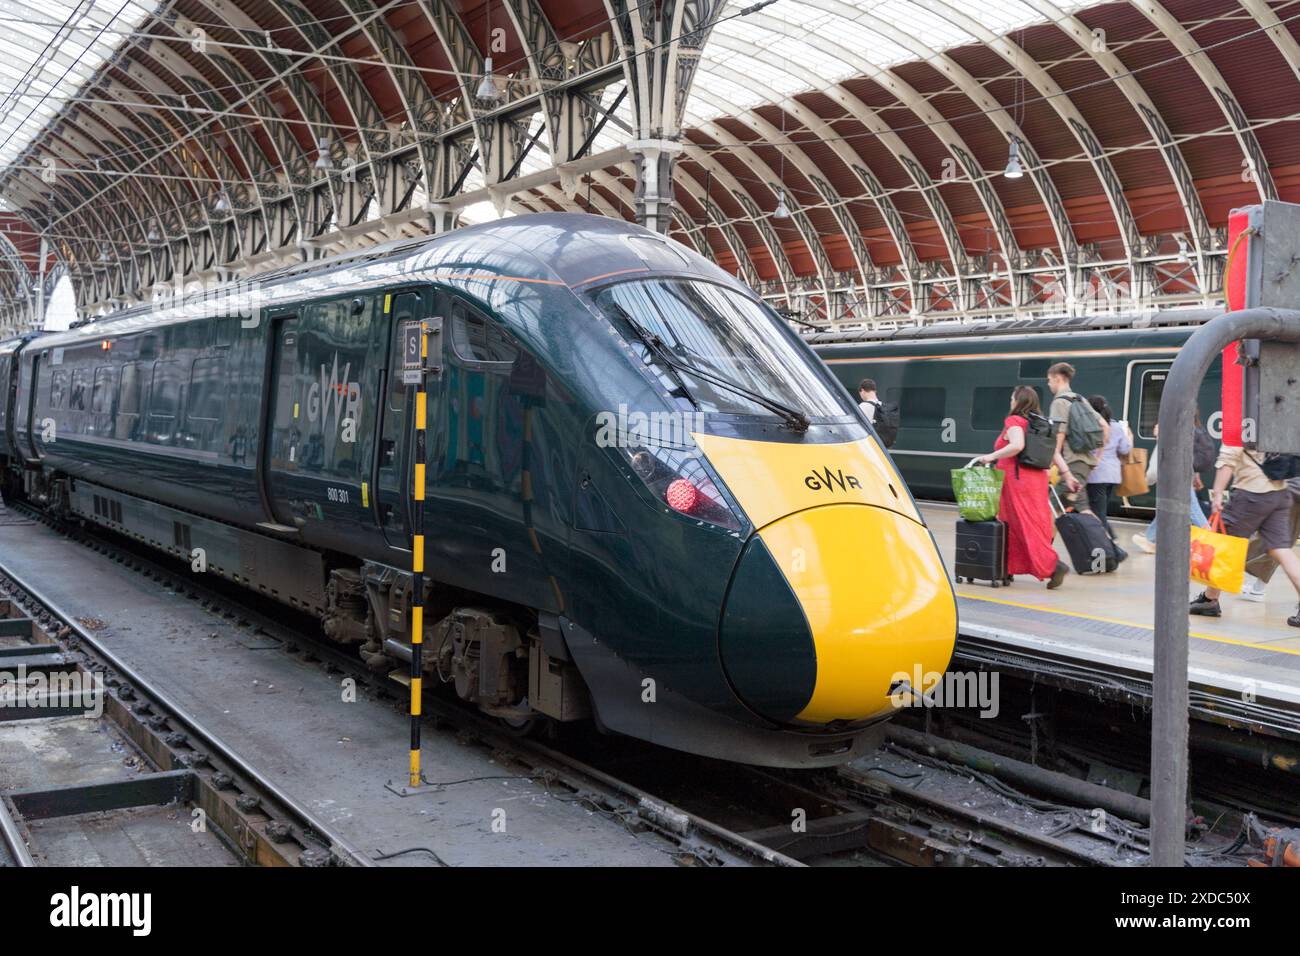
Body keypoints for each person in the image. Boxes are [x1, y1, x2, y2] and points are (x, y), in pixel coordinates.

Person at [1190, 445, 1300, 627]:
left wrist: (1217, 494)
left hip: (1251, 493)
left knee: (1223, 543)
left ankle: (1209, 600)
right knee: (1281, 549)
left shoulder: (1243, 417)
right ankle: (1209, 598)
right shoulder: (1276, 419)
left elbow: (1228, 459)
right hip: (1280, 493)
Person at [978, 385, 1069, 589]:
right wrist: (1067, 474)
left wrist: (990, 457)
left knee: (1019, 526)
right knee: (1032, 524)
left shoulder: (1015, 421)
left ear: (1018, 402)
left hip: (1016, 481)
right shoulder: (1038, 424)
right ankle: (1009, 568)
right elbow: (1054, 452)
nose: (1010, 402)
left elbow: (1017, 445)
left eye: (1012, 399)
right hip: (1036, 481)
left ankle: (1053, 565)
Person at [1130, 421, 1209, 554]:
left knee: (1193, 511)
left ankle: (1211, 542)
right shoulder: (1180, 434)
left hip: (1175, 481)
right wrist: (1195, 475)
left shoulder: (1164, 440)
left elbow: (1154, 471)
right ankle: (1152, 539)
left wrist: (1145, 482)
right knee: (1166, 510)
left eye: (1157, 424)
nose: (1154, 427)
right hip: (1181, 478)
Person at [1047, 362, 1108, 512]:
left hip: (1071, 465)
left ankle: (1098, 536)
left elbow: (1058, 440)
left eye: (1049, 380)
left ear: (1058, 379)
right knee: (1076, 508)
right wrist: (1098, 458)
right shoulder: (1080, 399)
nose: (1049, 384)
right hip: (1084, 465)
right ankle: (1098, 535)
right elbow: (1105, 426)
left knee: (1051, 509)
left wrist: (1053, 465)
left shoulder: (1059, 402)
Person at [1085, 395, 1131, 563]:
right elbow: (1125, 449)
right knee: (1100, 512)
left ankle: (1115, 551)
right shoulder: (1117, 426)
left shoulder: (1091, 426)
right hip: (1113, 475)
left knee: (1098, 514)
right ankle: (1109, 542)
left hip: (1096, 474)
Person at [1241, 477, 1300, 601]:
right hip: (1289, 487)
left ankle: (1256, 587)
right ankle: (1258, 588)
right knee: (1279, 541)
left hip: (1290, 488)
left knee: (1277, 542)